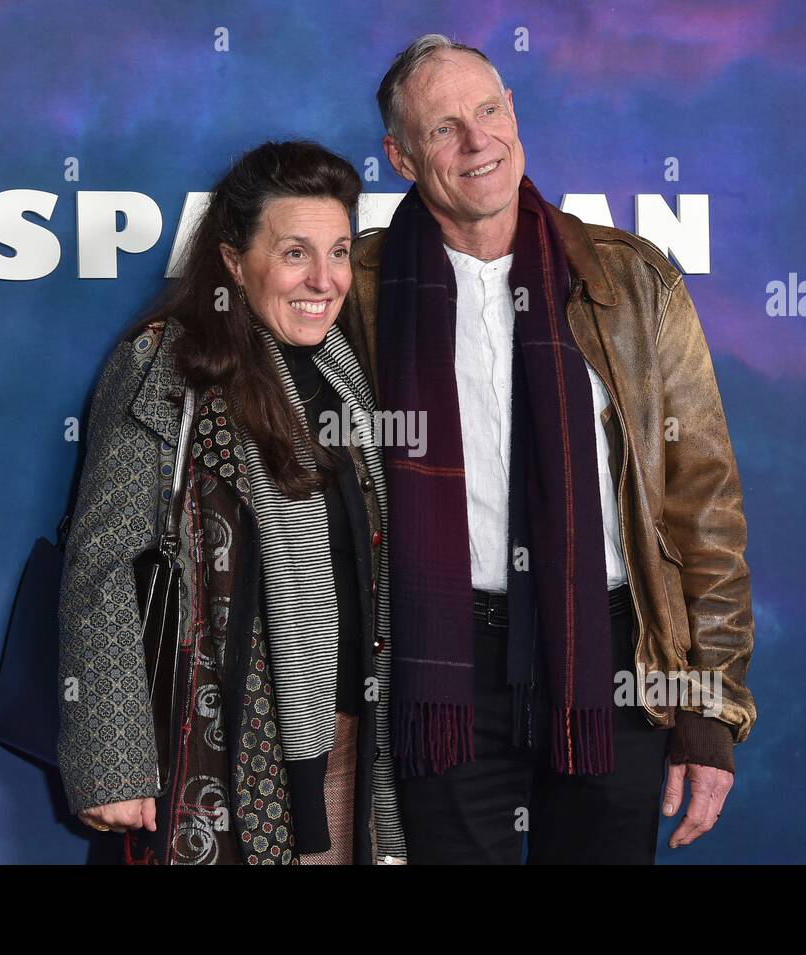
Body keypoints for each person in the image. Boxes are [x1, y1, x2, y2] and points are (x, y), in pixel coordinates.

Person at [336, 34, 757, 864]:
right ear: (401, 156)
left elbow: (703, 502)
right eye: (444, 127)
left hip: (613, 661)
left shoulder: (630, 281)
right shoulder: (358, 292)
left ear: (515, 115)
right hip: (438, 665)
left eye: (489, 110)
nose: (477, 141)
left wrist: (708, 705)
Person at [57, 140, 407, 865]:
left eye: (339, 251)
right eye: (294, 253)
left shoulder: (346, 371)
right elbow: (104, 566)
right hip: (219, 748)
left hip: (349, 747)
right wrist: (114, 762)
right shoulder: (166, 363)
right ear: (231, 260)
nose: (324, 278)